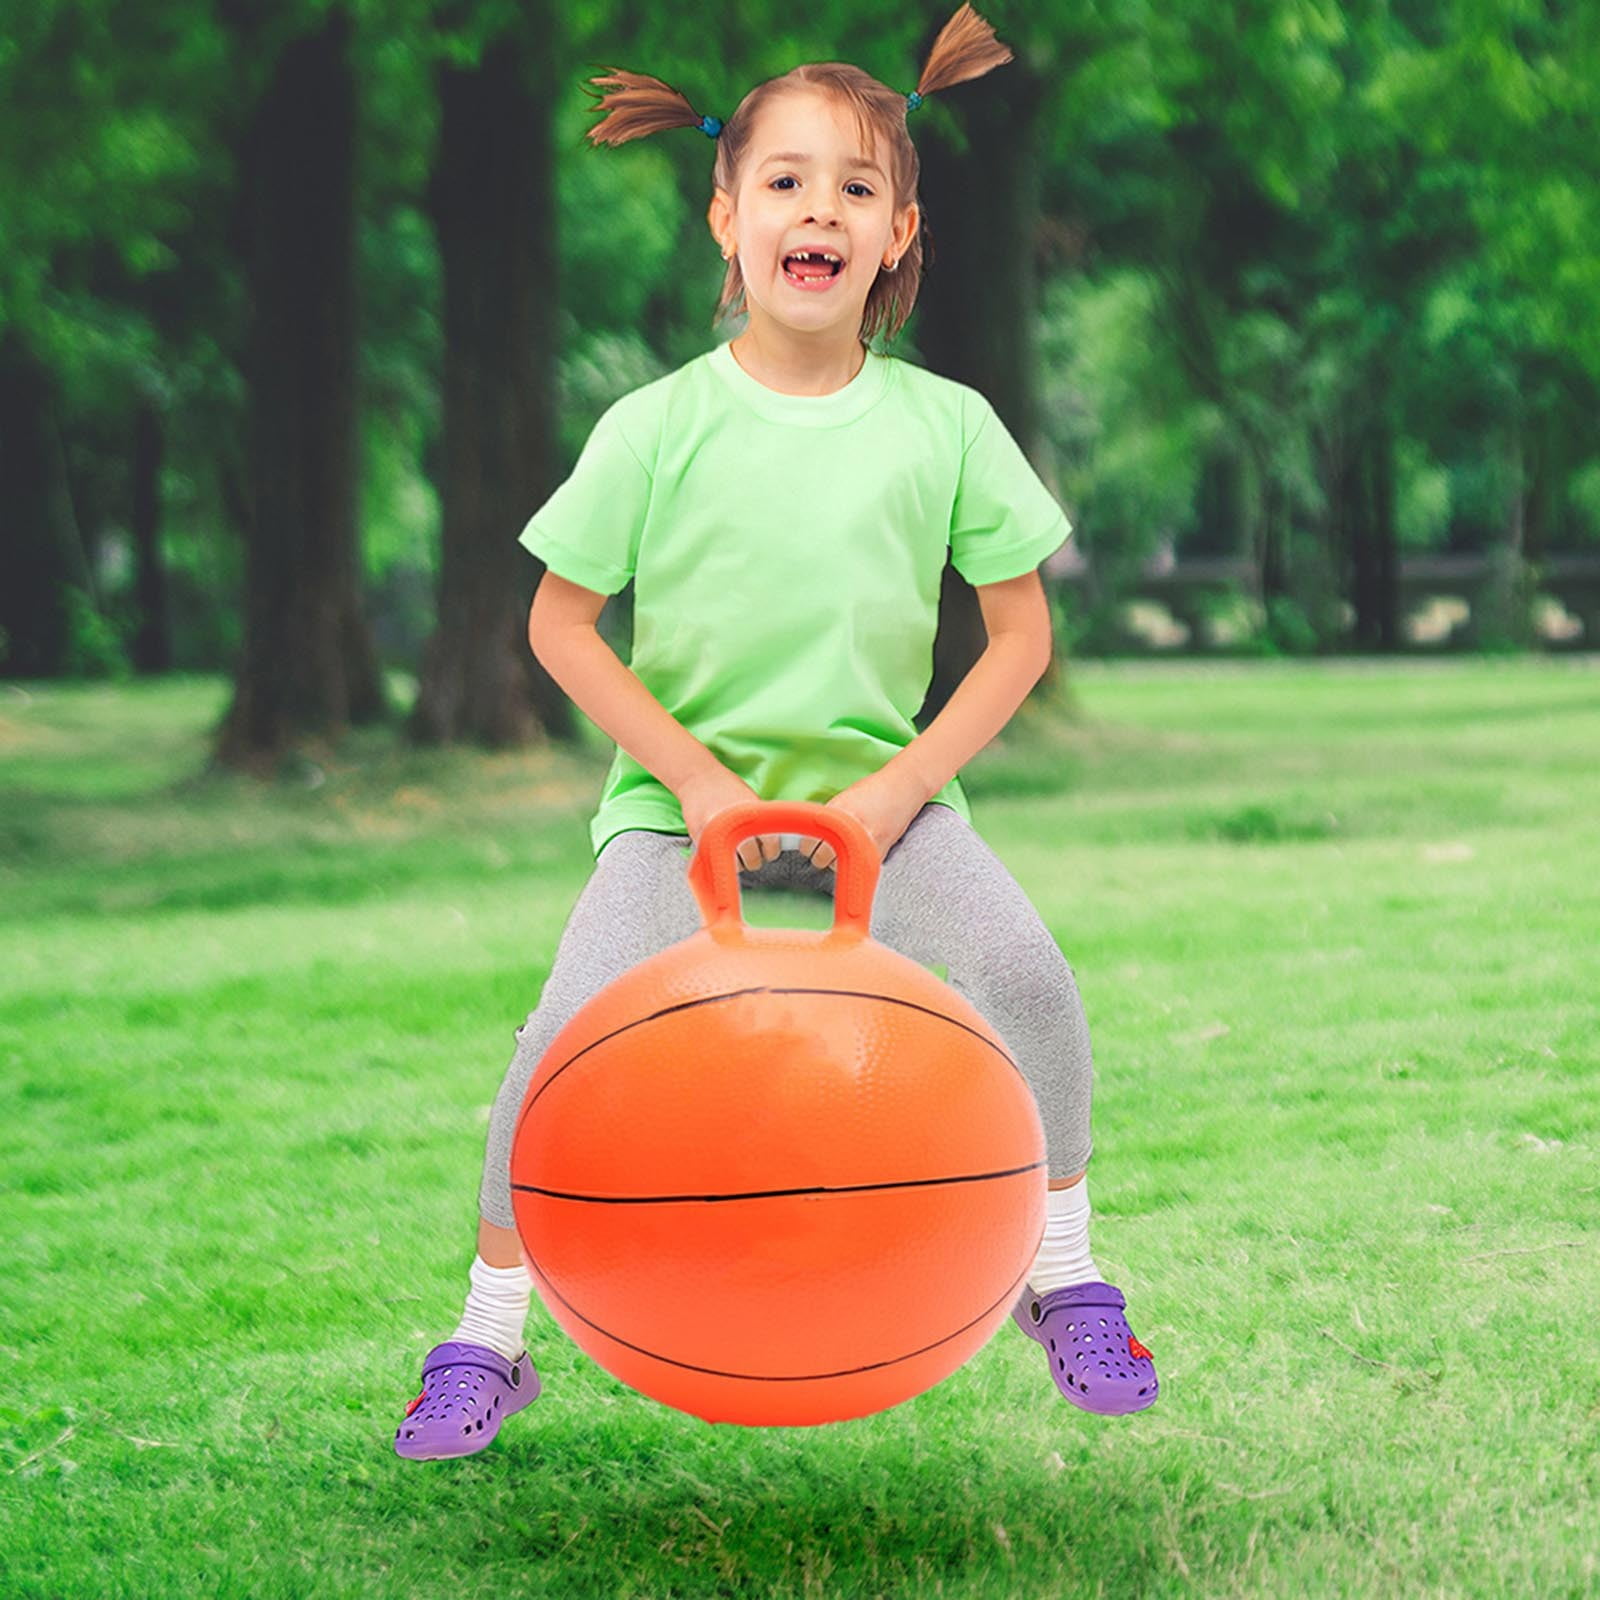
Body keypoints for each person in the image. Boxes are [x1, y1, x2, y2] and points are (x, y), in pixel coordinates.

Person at [394, 2, 1158, 1462]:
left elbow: (1020, 639)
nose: (820, 210)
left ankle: (1062, 1276)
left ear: (899, 231)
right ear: (725, 217)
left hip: (885, 809)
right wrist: (689, 779)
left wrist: (901, 790)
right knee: (556, 1043)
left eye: (857, 187)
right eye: (787, 181)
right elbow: (559, 624)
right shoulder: (653, 427)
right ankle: (487, 1337)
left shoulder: (949, 426)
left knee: (1027, 978)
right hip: (680, 820)